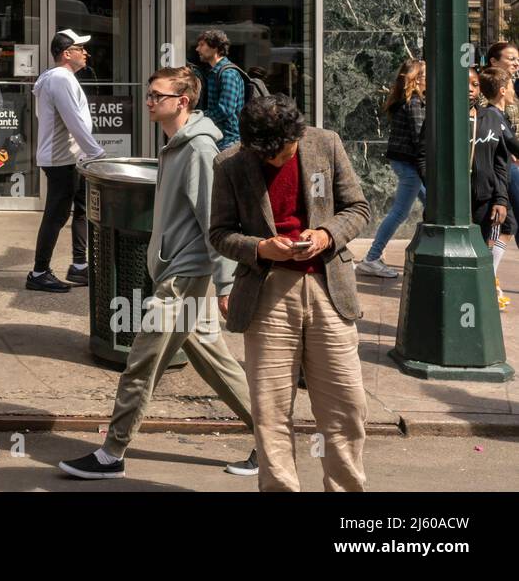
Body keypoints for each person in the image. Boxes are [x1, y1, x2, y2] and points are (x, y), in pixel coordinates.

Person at [59, 67, 256, 479]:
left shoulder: (198, 149)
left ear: (182, 102)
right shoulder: (176, 145)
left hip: (184, 277)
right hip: (183, 271)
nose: (149, 101)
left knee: (141, 362)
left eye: (157, 95)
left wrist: (225, 282)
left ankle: (112, 454)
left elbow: (212, 221)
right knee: (215, 362)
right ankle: (273, 438)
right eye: (149, 94)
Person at [209, 94, 371, 492]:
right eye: (267, 157)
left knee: (346, 407)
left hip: (328, 287)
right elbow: (219, 233)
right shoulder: (230, 163)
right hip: (267, 291)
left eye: (284, 152)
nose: (276, 162)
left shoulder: (325, 143)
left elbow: (358, 208)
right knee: (271, 410)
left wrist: (326, 234)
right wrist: (261, 248)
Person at [29, 29, 105, 292]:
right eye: (80, 48)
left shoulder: (62, 78)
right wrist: (96, 153)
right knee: (56, 215)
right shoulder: (60, 79)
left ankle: (80, 266)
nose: (86, 53)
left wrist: (88, 153)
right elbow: (73, 121)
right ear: (66, 53)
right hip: (62, 159)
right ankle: (39, 272)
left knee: (82, 210)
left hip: (72, 157)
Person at [359, 60, 427, 279]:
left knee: (433, 205)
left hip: (405, 162)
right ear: (418, 78)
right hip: (410, 163)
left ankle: (424, 251)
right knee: (400, 212)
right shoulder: (414, 102)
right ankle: (371, 258)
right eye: (427, 74)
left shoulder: (404, 100)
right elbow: (420, 138)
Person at [473, 67, 517, 310]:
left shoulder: (496, 115)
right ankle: (488, 280)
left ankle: (489, 280)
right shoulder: (493, 116)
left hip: (497, 184)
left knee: (506, 227)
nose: (513, 92)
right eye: (511, 87)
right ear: (502, 91)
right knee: (502, 227)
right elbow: (510, 145)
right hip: (492, 186)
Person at [485, 42, 519, 233]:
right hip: (505, 162)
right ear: (494, 61)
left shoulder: (514, 85)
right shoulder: (486, 88)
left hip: (514, 158)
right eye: (511, 58)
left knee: (510, 225)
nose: (516, 63)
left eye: (518, 60)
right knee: (507, 225)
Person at [194, 29, 245, 150]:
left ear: (215, 47)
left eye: (202, 45)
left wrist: (197, 117)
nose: (197, 49)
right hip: (219, 138)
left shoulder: (228, 74)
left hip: (229, 141)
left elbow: (225, 110)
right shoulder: (214, 72)